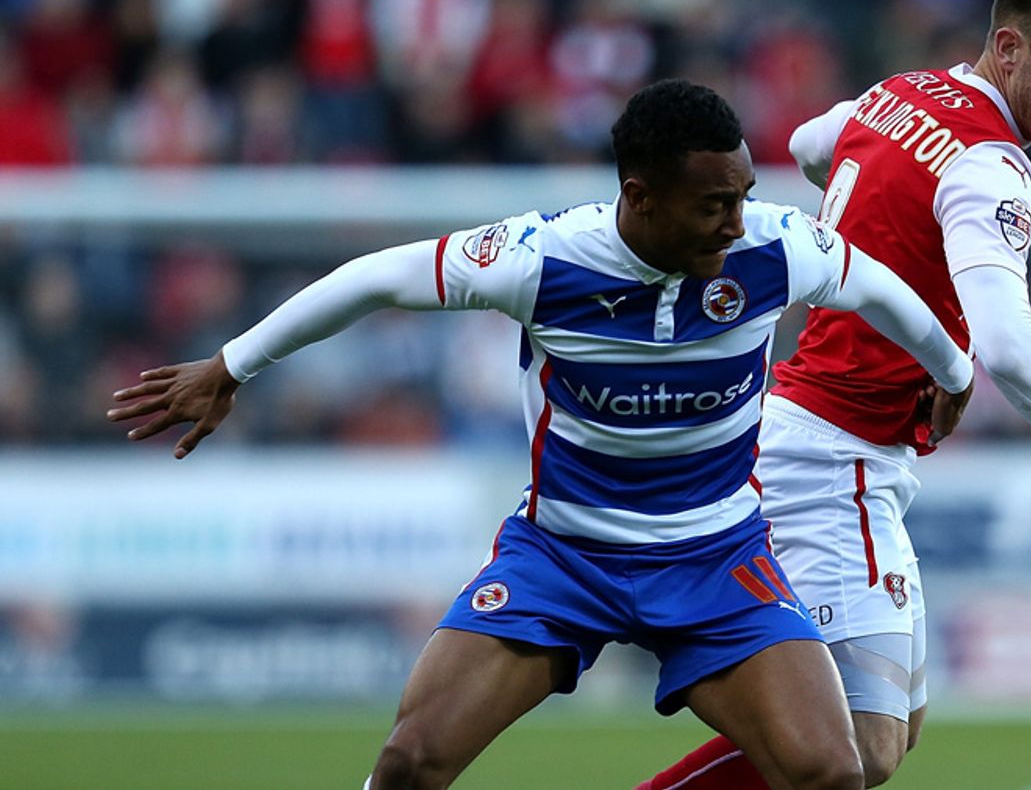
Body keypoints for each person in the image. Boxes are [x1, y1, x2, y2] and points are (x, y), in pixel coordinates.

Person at [107, 79, 977, 790]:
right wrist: (232, 365)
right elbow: (375, 279)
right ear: (640, 197)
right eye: (716, 204)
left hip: (716, 557)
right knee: (412, 763)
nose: (737, 222)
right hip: (564, 558)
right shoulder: (543, 258)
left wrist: (952, 370)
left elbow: (879, 288)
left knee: (831, 772)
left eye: (744, 196)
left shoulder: (778, 250)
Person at [639, 0, 1031, 790]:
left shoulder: (898, 95)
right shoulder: (992, 166)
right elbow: (1009, 346)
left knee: (895, 727)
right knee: (861, 746)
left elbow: (812, 145)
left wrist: (887, 228)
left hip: (825, 440)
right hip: (833, 458)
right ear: (1010, 48)